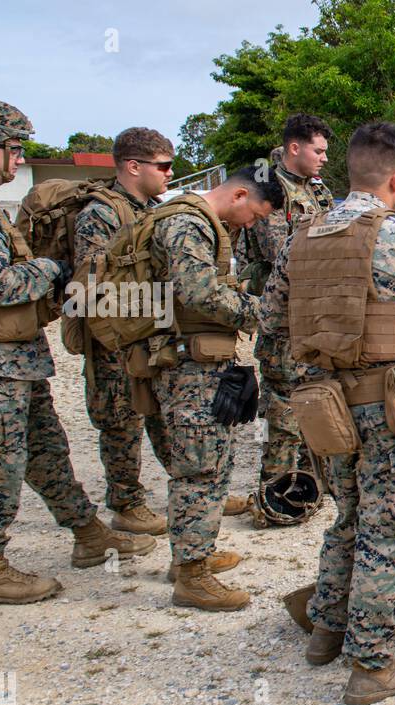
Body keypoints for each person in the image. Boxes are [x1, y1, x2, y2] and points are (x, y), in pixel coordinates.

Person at [260, 121, 395, 705]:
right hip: (392, 408)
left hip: (325, 406)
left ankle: (326, 630)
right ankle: (373, 663)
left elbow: (270, 320)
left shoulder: (301, 239)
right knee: (394, 529)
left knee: (349, 514)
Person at [0, 98, 156, 605]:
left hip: (12, 359)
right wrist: (52, 268)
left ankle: (89, 535)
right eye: (13, 148)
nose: (19, 157)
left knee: (45, 452)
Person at [147, 166, 282, 610]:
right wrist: (264, 313)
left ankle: (193, 555)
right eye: (255, 215)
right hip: (188, 366)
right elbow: (200, 294)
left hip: (199, 361)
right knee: (200, 470)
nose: (253, 224)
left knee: (209, 464)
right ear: (239, 194)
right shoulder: (188, 223)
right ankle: (191, 576)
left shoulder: (202, 222)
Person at [70, 127, 175, 537]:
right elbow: (90, 284)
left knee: (164, 413)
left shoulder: (150, 209)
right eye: (163, 166)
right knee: (120, 422)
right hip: (114, 339)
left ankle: (190, 488)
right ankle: (126, 504)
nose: (169, 173)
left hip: (149, 332)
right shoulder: (101, 214)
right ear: (133, 166)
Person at [235, 114, 335, 511]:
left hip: (316, 312)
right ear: (295, 148)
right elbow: (281, 254)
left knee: (314, 398)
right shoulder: (270, 187)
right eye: (318, 150)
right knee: (281, 406)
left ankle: (310, 480)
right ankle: (273, 491)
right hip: (284, 315)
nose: (324, 158)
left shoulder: (317, 188)